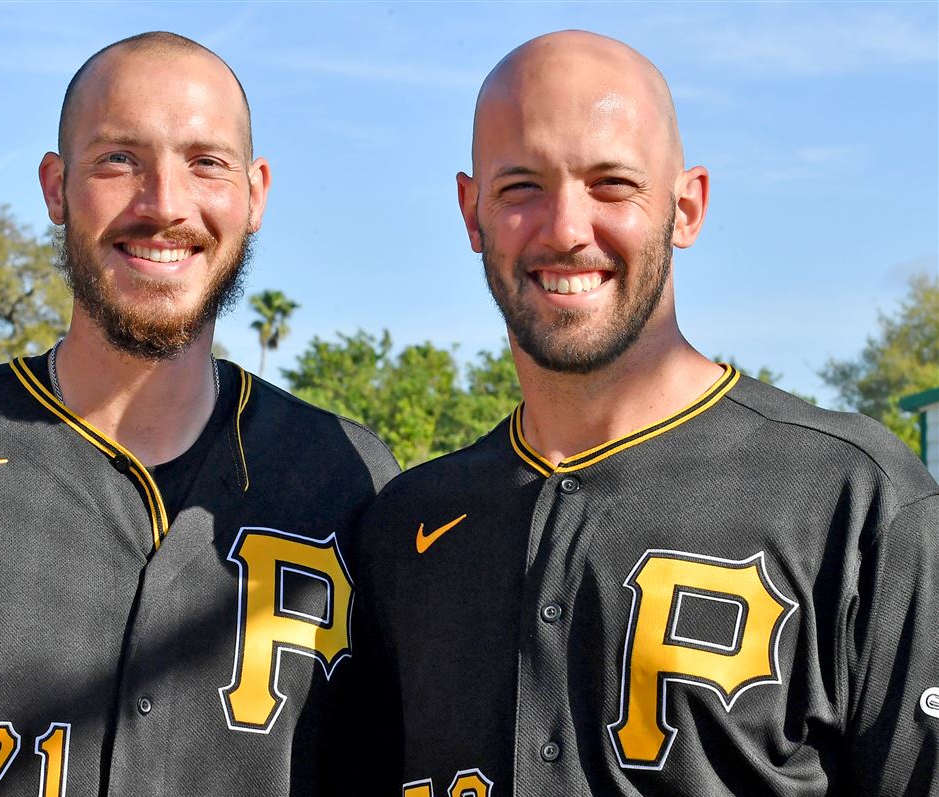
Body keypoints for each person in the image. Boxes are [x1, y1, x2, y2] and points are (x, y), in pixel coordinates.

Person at [0, 32, 398, 796]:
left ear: (255, 195)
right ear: (56, 188)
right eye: (119, 158)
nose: (165, 204)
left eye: (206, 162)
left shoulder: (351, 482)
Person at [353, 30, 938, 796]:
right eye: (521, 187)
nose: (566, 228)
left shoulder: (853, 498)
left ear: (686, 207)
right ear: (472, 212)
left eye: (611, 184)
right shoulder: (406, 526)